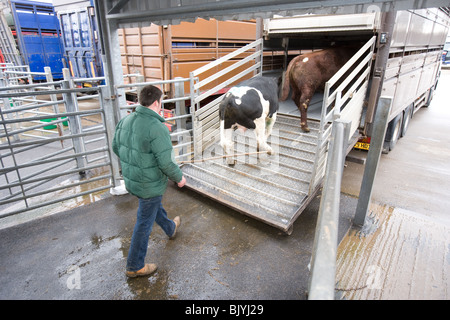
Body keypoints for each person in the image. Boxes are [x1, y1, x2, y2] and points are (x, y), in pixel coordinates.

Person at [112, 84, 186, 278]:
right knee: (144, 222)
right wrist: (179, 178)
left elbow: (116, 147)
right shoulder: (157, 127)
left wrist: (136, 164)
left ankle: (170, 228)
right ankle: (135, 265)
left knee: (151, 206)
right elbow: (166, 163)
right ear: (156, 102)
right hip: (149, 183)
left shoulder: (126, 120)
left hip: (134, 181)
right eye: (161, 102)